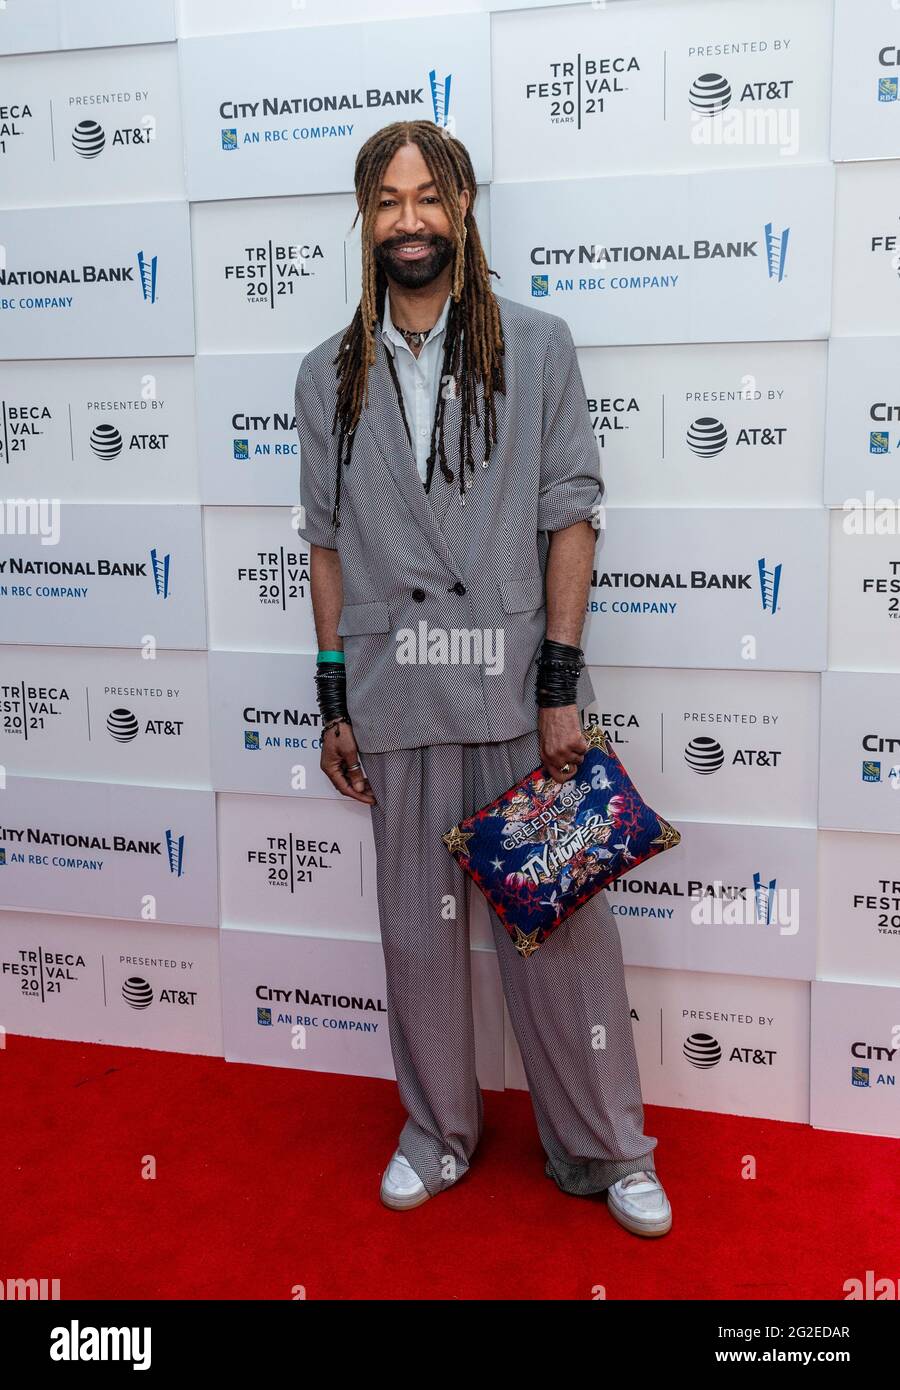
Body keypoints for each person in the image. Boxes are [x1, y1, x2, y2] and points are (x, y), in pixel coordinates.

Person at [294, 119, 671, 1237]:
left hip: (513, 685)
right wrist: (332, 700)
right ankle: (438, 1130)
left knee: (559, 929)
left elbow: (570, 514)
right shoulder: (327, 376)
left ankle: (606, 1148)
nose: (409, 221)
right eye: (387, 201)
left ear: (463, 211)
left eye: (429, 198)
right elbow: (324, 542)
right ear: (365, 220)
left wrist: (561, 680)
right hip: (396, 685)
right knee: (416, 931)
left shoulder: (539, 346)